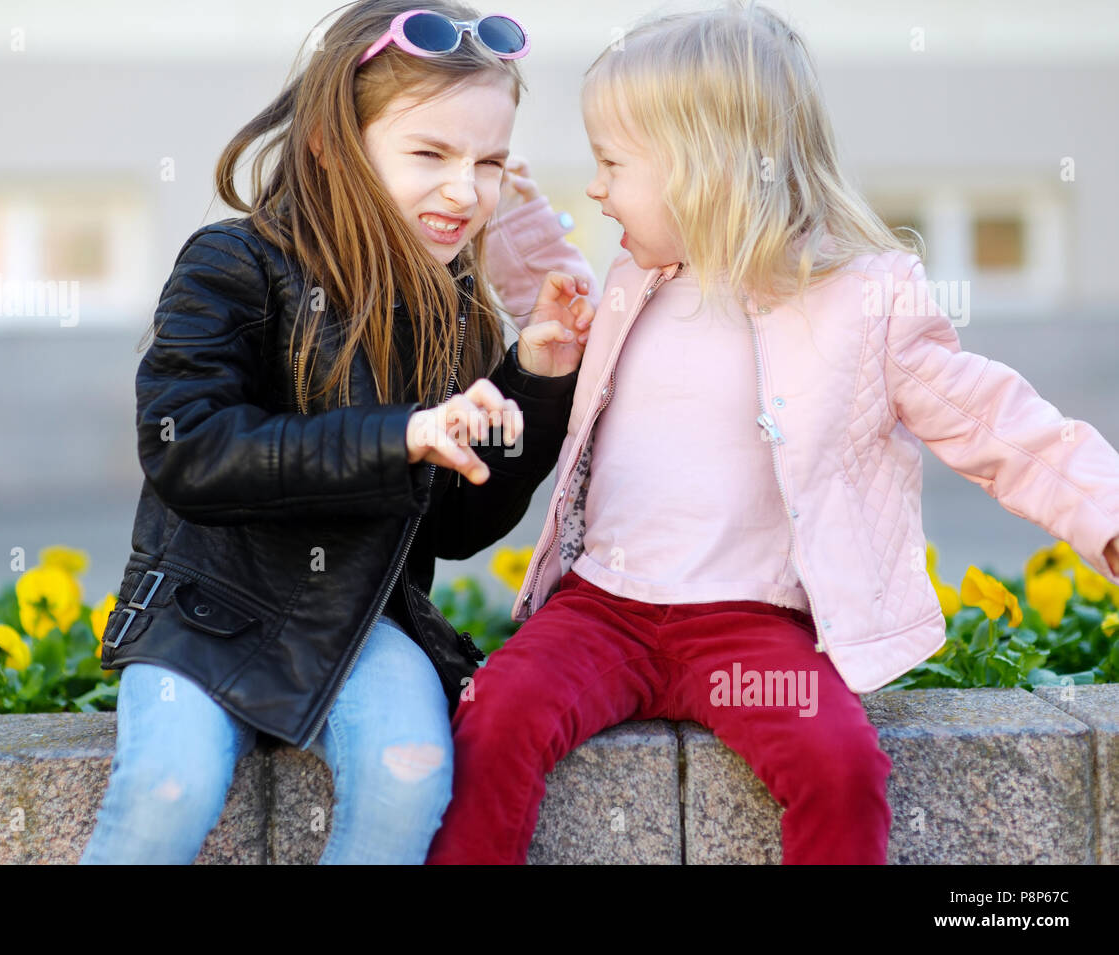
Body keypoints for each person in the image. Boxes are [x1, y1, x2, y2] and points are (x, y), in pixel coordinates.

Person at [426, 1, 1119, 865]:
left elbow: (995, 419)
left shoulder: (860, 302)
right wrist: (519, 216)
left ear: (702, 166)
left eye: (611, 163)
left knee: (839, 765)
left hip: (749, 629)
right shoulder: (636, 280)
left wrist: (1104, 511)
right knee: (491, 720)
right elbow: (555, 289)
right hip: (601, 612)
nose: (596, 188)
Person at [79, 0, 595, 865]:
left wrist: (534, 380)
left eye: (490, 161)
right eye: (430, 153)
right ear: (332, 141)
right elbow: (189, 449)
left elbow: (458, 527)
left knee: (411, 769)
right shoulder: (231, 262)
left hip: (361, 619)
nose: (464, 191)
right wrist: (397, 436)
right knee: (170, 784)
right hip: (206, 609)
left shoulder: (456, 304)